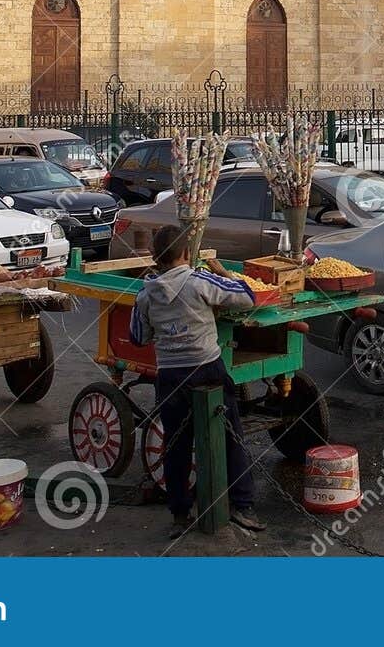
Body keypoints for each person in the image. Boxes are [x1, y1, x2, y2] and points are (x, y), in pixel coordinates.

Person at [130, 225, 267, 538]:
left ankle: (180, 512)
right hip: (208, 369)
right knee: (232, 435)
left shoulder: (145, 295)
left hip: (171, 376)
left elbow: (138, 338)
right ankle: (241, 505)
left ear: (155, 258)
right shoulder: (199, 281)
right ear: (185, 254)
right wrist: (228, 276)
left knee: (176, 444)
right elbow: (247, 298)